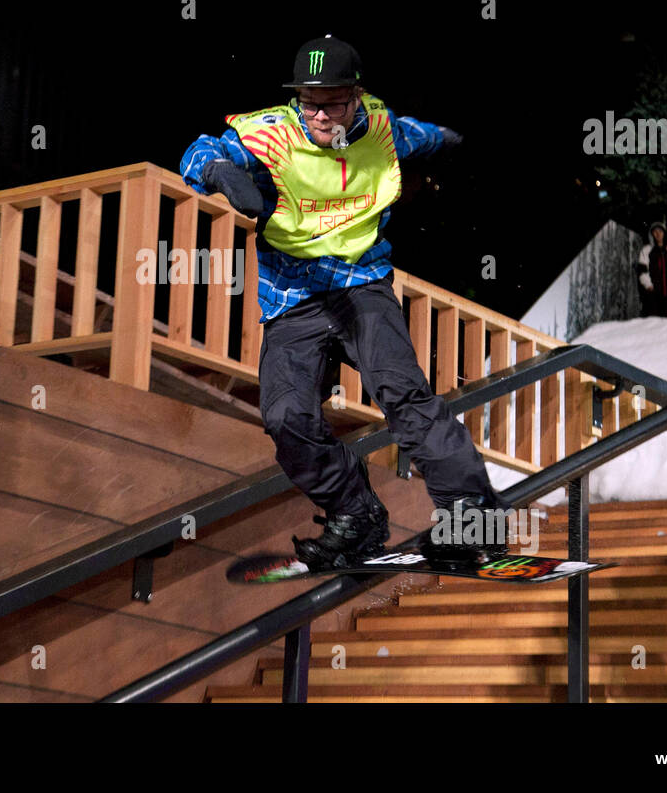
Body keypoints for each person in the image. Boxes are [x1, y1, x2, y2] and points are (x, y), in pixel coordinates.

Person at [180, 35, 509, 569]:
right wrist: (218, 172)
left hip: (362, 284)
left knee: (404, 397)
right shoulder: (274, 133)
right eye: (309, 102)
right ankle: (354, 516)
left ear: (357, 96)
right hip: (293, 296)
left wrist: (454, 140)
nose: (319, 115)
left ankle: (473, 521)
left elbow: (422, 138)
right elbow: (201, 149)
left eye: (332, 102)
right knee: (285, 417)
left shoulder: (382, 129)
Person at [636, 221, 667, 317]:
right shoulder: (646, 250)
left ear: (664, 233)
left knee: (666, 323)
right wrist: (648, 285)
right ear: (652, 234)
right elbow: (642, 271)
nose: (658, 234)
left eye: (660, 231)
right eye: (655, 232)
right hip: (652, 294)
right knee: (653, 322)